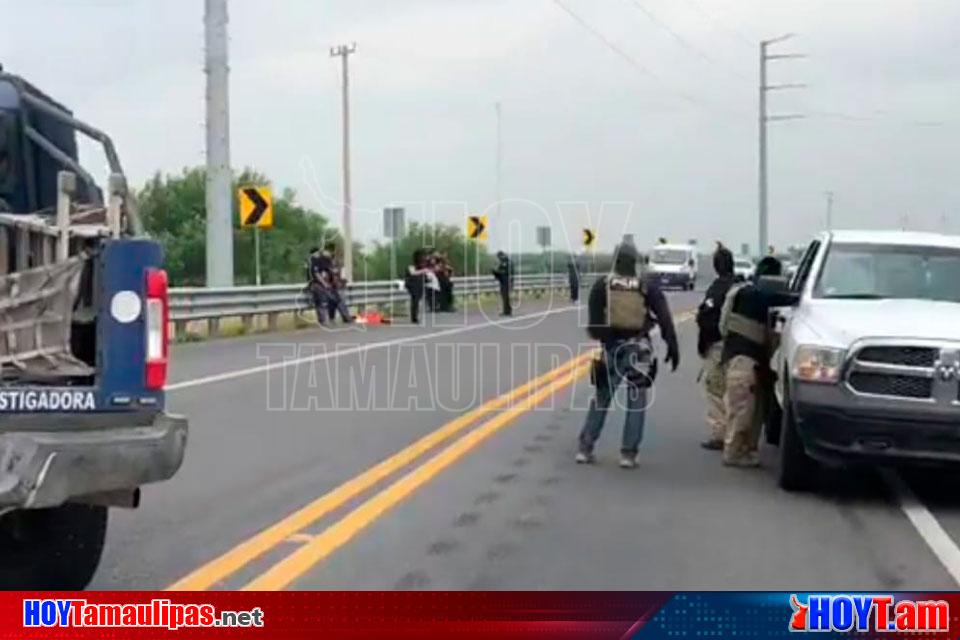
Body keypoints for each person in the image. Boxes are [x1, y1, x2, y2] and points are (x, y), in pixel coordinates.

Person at [577, 243, 680, 468]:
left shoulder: (602, 285)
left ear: (615, 261)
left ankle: (585, 448)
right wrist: (673, 348)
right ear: (635, 262)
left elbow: (594, 325)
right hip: (639, 348)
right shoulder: (646, 287)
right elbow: (664, 319)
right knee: (636, 400)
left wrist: (608, 340)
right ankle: (628, 454)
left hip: (612, 348)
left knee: (602, 396)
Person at [719, 256, 793, 467]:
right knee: (742, 410)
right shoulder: (749, 294)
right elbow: (774, 297)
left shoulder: (749, 294)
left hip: (758, 362)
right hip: (743, 359)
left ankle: (746, 450)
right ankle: (733, 452)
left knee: (755, 412)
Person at [696, 244, 736, 450]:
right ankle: (738, 435)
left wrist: (704, 344)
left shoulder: (717, 289)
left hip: (719, 346)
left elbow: (706, 318)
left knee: (715, 388)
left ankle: (720, 433)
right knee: (737, 392)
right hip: (741, 347)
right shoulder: (741, 286)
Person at [326, 246, 354, 324]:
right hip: (331, 287)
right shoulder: (327, 263)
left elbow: (343, 275)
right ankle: (332, 319)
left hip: (339, 286)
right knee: (332, 303)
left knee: (340, 302)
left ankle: (346, 318)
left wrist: (342, 282)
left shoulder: (339, 263)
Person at [307, 245, 334, 325]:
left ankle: (322, 320)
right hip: (318, 284)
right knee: (322, 302)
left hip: (314, 284)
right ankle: (324, 320)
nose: (319, 254)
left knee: (319, 303)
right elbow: (317, 274)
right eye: (318, 252)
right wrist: (325, 283)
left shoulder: (310, 261)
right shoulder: (314, 261)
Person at [405, 248, 430, 324]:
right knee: (415, 300)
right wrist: (423, 271)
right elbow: (413, 273)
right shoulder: (411, 265)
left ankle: (415, 316)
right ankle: (414, 317)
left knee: (417, 300)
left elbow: (425, 275)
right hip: (412, 285)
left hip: (419, 285)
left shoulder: (422, 265)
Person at [492, 251, 513, 316]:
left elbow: (506, 273)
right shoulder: (503, 262)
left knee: (505, 296)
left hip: (507, 282)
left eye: (499, 257)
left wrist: (498, 272)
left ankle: (507, 311)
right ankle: (506, 311)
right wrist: (495, 272)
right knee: (504, 297)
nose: (499, 258)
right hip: (503, 282)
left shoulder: (507, 262)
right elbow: (500, 273)